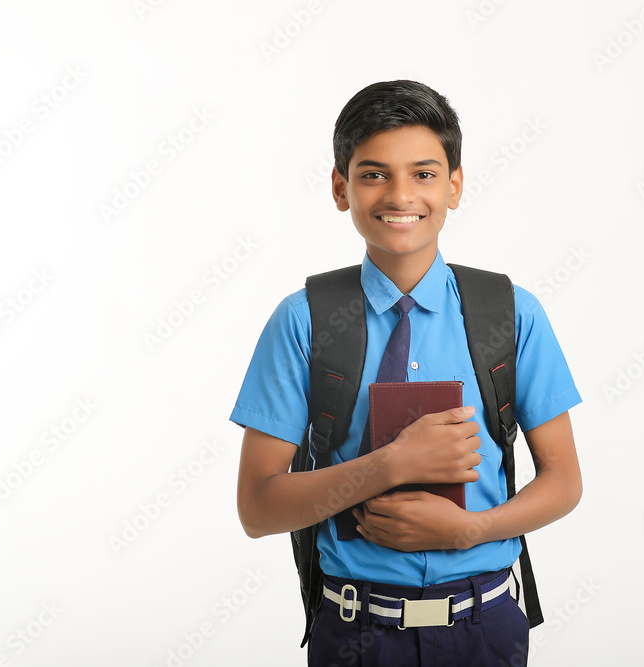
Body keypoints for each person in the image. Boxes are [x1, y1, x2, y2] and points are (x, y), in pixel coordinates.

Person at [231, 79, 582, 666]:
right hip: (354, 631)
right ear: (341, 188)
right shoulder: (305, 322)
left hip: (485, 626)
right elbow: (258, 509)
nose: (400, 195)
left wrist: (468, 530)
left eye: (422, 173)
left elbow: (564, 480)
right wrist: (391, 464)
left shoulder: (510, 313)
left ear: (455, 185)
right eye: (373, 174)